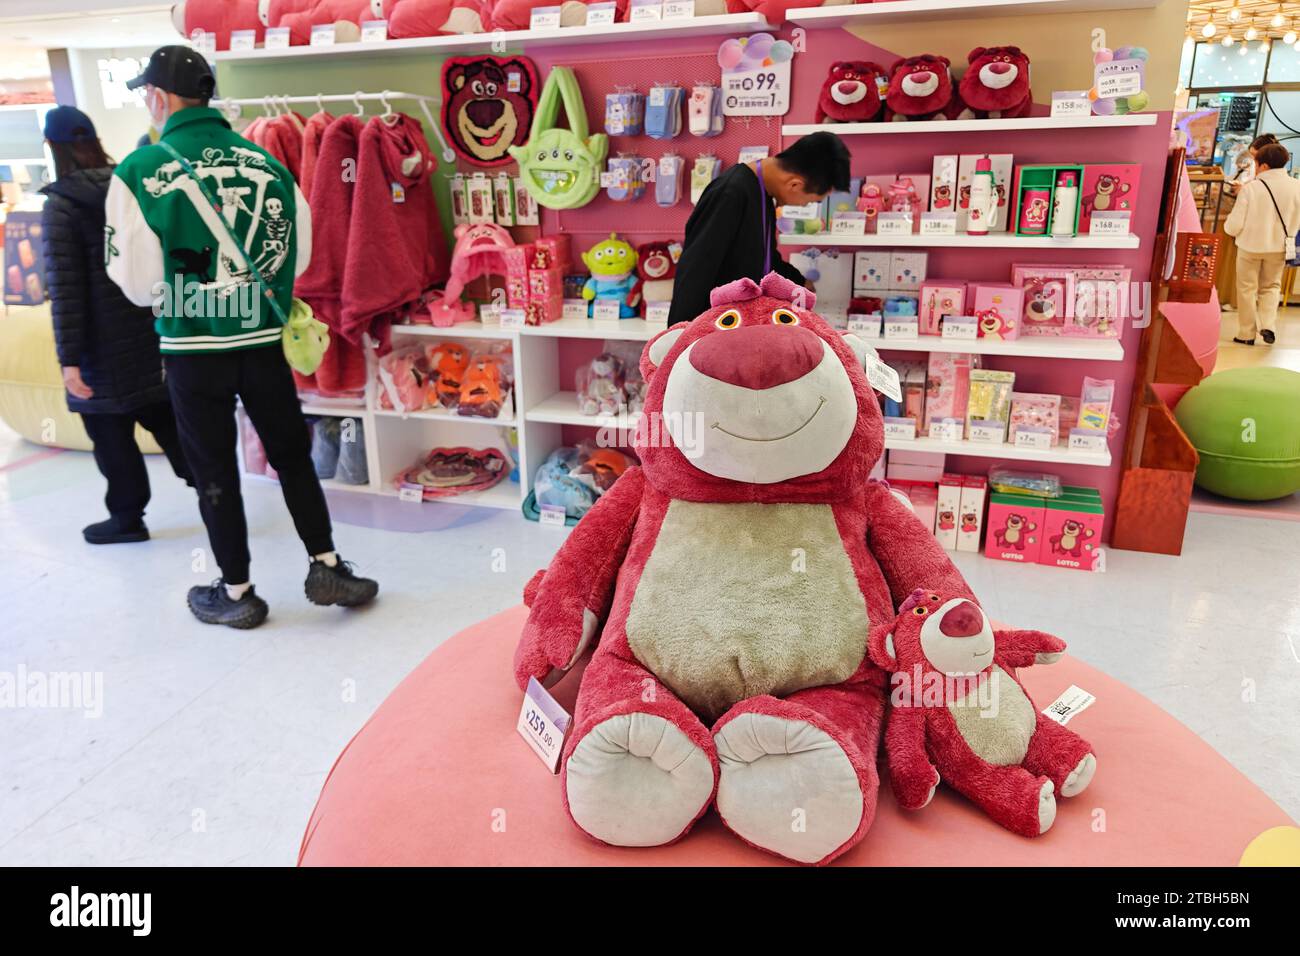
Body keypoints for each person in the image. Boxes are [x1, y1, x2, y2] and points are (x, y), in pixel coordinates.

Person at [105, 46, 378, 629]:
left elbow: (136, 282)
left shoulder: (139, 172)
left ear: (159, 97)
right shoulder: (266, 163)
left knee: (214, 469)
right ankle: (327, 564)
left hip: (191, 348)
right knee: (292, 456)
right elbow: (299, 253)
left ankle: (237, 592)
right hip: (260, 341)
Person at [39, 105, 193, 545]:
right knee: (168, 421)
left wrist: (69, 361)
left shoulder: (60, 206)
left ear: (52, 147)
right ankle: (215, 492)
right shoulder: (127, 186)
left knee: (111, 436)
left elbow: (66, 291)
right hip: (146, 331)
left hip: (97, 350)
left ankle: (127, 518)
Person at [667, 132, 851, 326]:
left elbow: (765, 257)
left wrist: (799, 282)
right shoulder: (730, 192)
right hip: (714, 325)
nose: (805, 207)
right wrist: (679, 333)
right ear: (795, 184)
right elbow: (695, 270)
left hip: (740, 321)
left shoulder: (763, 193)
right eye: (812, 201)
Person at [1224, 142, 1300, 346]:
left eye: (1256, 163)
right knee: (1271, 287)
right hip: (1279, 247)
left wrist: (1229, 230)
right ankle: (1268, 325)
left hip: (1250, 246)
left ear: (1264, 166)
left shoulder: (1251, 188)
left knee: (1247, 288)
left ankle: (1246, 333)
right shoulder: (1297, 187)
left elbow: (1235, 223)